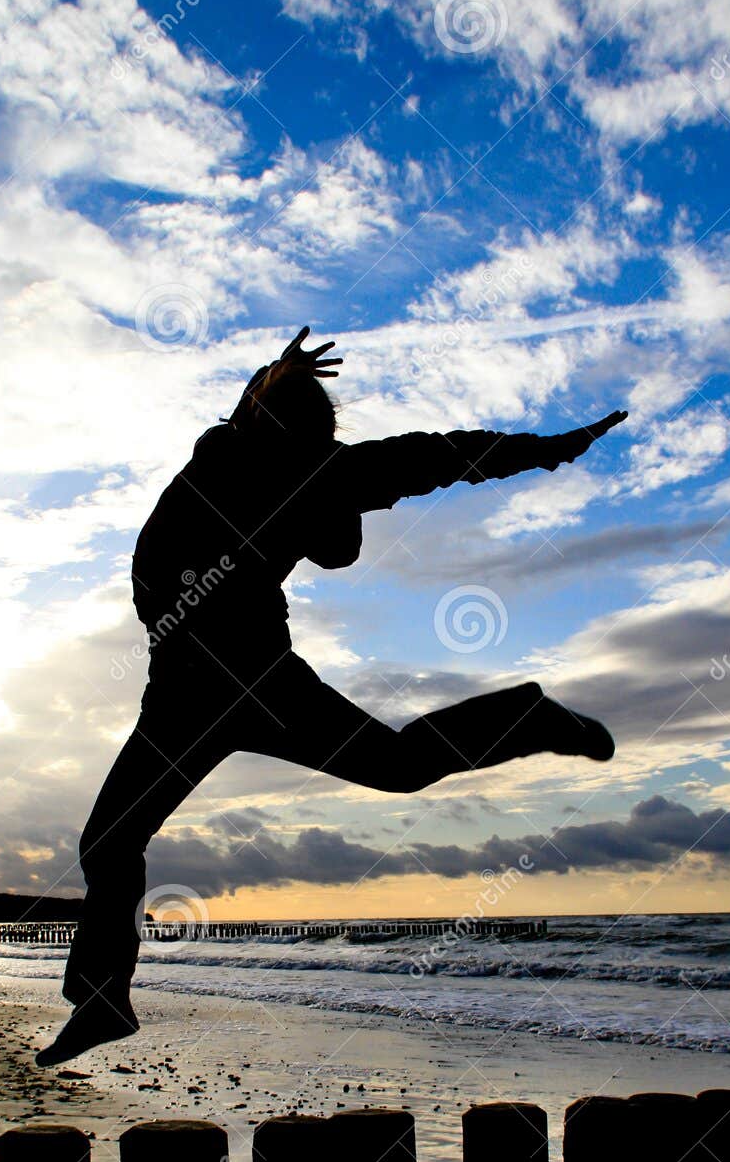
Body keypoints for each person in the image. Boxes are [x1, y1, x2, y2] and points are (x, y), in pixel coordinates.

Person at [36, 328, 627, 1067]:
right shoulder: (243, 450)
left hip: (249, 679)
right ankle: (101, 1000)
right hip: (185, 691)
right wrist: (277, 372)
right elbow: (424, 454)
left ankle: (528, 718)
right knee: (112, 840)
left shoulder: (291, 462)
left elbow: (448, 456)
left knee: (393, 768)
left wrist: (551, 448)